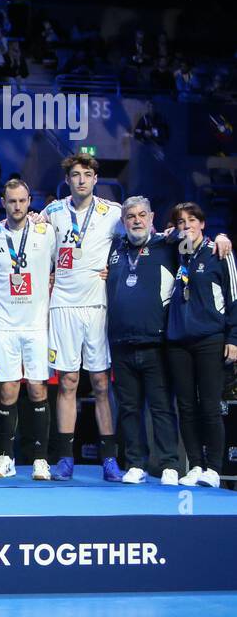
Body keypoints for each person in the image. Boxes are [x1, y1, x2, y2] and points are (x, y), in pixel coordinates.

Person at [42, 156, 121, 481]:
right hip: (62, 306)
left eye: (87, 175)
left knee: (102, 383)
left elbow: (142, 242)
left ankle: (109, 459)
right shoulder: (52, 212)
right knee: (68, 383)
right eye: (75, 175)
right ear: (67, 180)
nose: (81, 181)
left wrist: (113, 270)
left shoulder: (113, 213)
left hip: (97, 306)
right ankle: (65, 458)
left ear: (96, 178)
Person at [0, 179, 57, 479]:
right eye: (12, 201)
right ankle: (5, 458)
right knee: (7, 391)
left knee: (38, 390)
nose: (18, 206)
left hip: (36, 325)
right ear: (3, 202)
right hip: (3, 326)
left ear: (29, 201)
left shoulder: (46, 232)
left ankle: (40, 459)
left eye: (23, 201)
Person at [105, 197, 182, 485]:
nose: (136, 220)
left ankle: (169, 463)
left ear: (152, 217)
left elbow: (198, 246)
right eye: (130, 216)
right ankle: (136, 462)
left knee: (161, 407)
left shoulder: (168, 245)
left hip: (156, 342)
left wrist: (220, 239)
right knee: (129, 408)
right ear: (123, 221)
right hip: (121, 342)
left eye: (141, 215)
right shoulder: (115, 249)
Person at [166, 202, 237, 488]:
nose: (187, 226)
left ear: (202, 224)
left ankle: (214, 469)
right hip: (178, 341)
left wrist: (234, 338)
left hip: (210, 338)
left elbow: (234, 297)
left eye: (192, 220)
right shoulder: (177, 251)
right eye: (182, 222)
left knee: (209, 405)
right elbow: (160, 233)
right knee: (186, 406)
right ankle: (194, 465)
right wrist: (173, 231)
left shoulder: (219, 252)